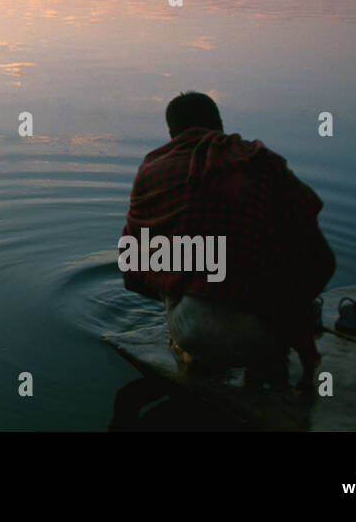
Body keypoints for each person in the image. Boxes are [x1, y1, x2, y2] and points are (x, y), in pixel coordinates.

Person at [120, 92, 335, 389]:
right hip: (270, 330)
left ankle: (197, 356)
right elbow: (323, 260)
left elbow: (132, 271)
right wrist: (294, 306)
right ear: (219, 126)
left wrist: (174, 278)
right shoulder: (261, 162)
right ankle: (271, 358)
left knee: (169, 258)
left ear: (172, 134)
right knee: (275, 257)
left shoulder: (154, 169)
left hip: (195, 330)